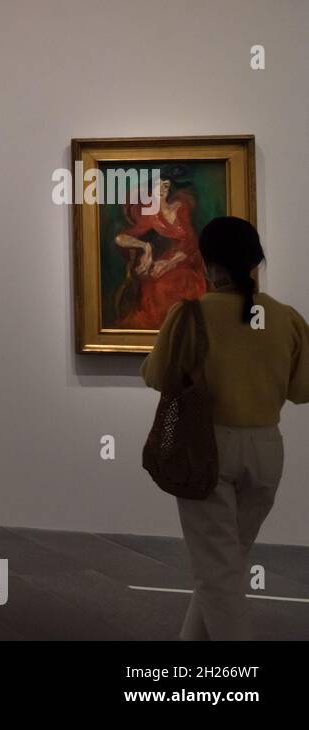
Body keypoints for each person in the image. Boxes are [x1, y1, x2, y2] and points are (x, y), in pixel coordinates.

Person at [142, 216, 309, 640]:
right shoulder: (286, 318)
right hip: (267, 450)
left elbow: (158, 376)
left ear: (207, 263)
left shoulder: (190, 315)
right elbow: (302, 389)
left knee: (218, 575)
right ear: (256, 261)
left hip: (207, 450)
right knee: (225, 564)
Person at [113, 167, 208, 329]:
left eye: (166, 185)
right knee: (154, 285)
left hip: (188, 259)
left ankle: (180, 331)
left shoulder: (180, 206)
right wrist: (145, 247)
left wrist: (169, 263)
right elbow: (120, 238)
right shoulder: (151, 214)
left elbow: (192, 243)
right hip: (165, 258)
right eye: (159, 184)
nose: (163, 188)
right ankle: (164, 333)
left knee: (175, 284)